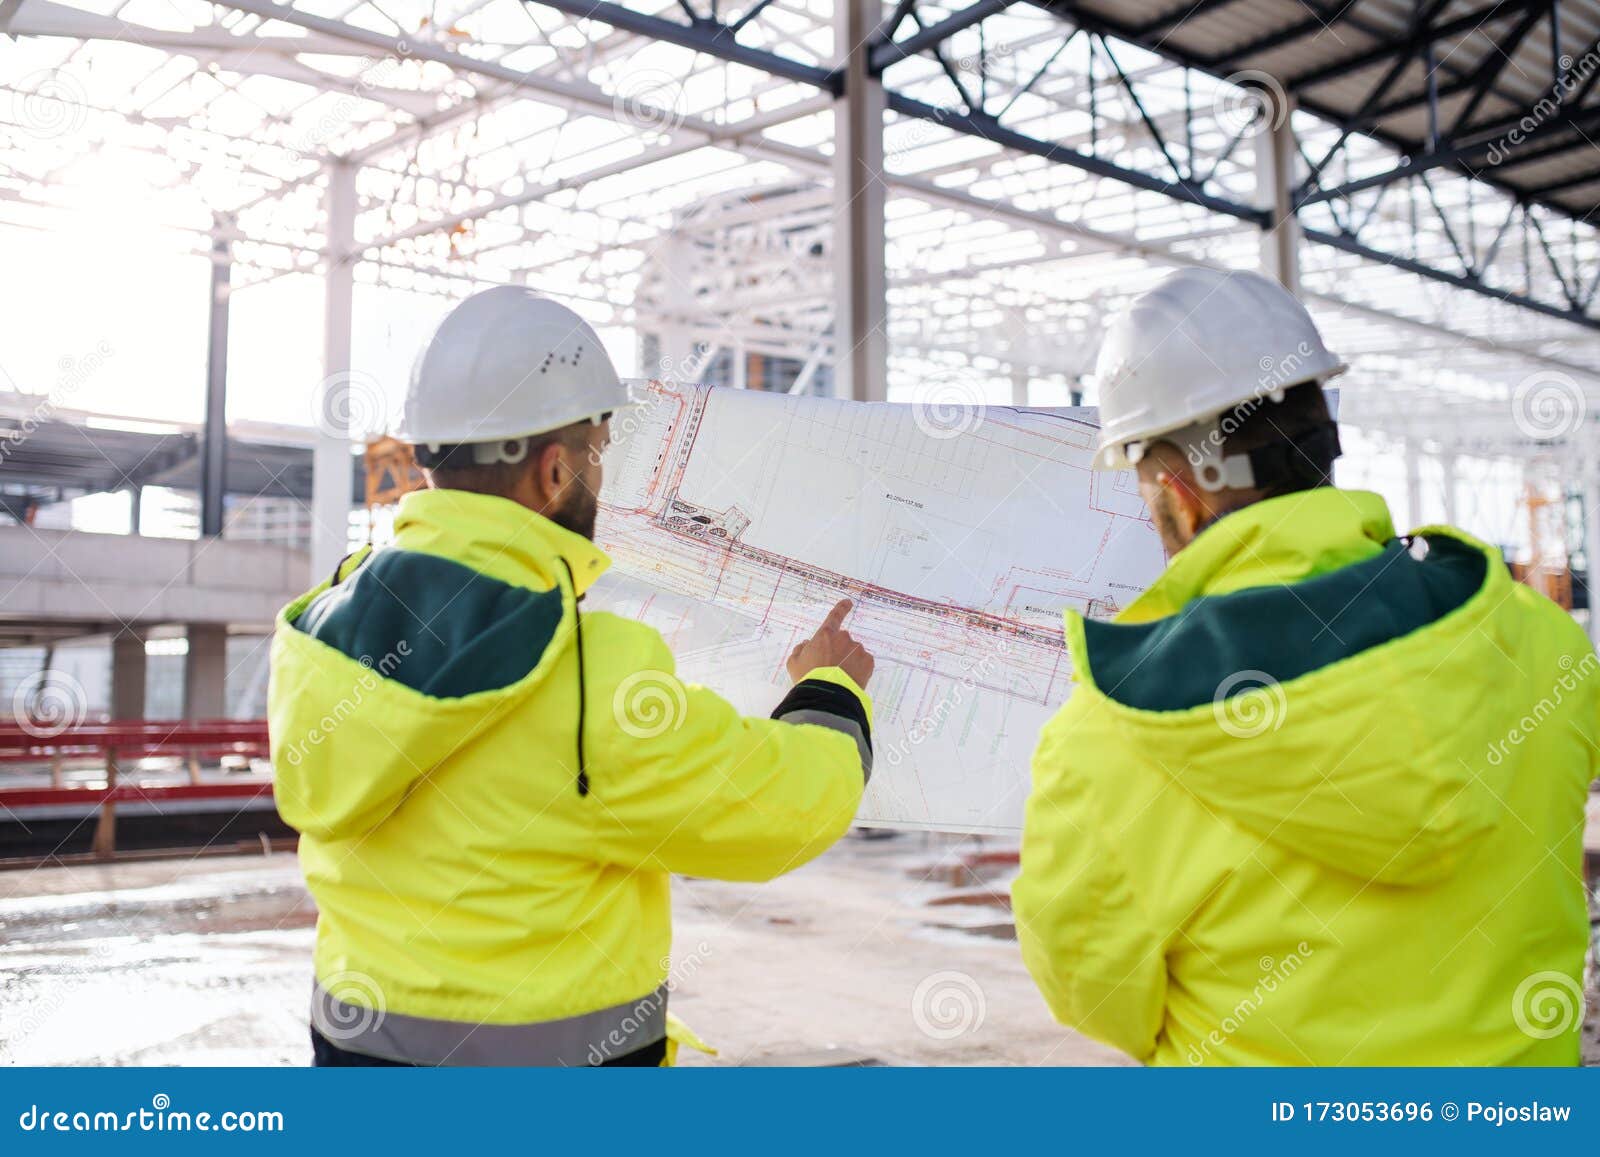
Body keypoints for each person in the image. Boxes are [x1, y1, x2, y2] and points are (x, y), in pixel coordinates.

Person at [270, 286, 875, 1067]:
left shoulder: (328, 625)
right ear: (555, 471)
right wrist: (830, 692)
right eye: (599, 450)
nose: (602, 472)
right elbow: (778, 811)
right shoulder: (594, 672)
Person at [1014, 266, 1597, 1065]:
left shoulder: (1113, 734)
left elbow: (1089, 985)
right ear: (1326, 443)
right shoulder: (1538, 641)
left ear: (1179, 495)